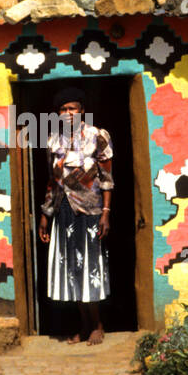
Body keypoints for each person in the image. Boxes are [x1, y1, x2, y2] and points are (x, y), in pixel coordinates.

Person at [38, 86, 113, 344]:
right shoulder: (53, 141)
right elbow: (52, 182)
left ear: (82, 111)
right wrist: (45, 216)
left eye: (72, 108)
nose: (68, 113)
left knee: (91, 268)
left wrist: (106, 213)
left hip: (91, 212)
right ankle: (83, 325)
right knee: (72, 270)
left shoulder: (97, 137)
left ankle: (98, 324)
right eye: (63, 109)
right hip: (65, 212)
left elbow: (107, 179)